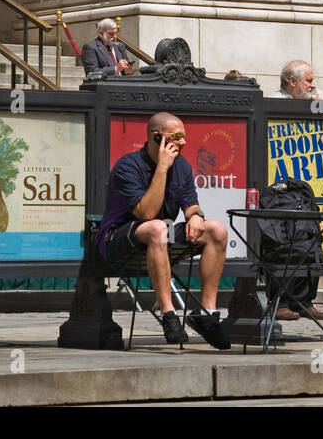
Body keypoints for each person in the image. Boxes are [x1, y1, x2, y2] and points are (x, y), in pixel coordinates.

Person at [97, 113, 231, 349]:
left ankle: (206, 313)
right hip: (118, 238)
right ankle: (169, 315)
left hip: (159, 234)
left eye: (184, 137)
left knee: (216, 230)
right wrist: (162, 168)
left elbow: (191, 204)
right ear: (156, 137)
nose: (183, 143)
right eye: (177, 137)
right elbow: (147, 214)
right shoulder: (127, 167)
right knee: (157, 227)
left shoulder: (182, 166)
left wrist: (196, 217)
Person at [266, 60, 323, 322]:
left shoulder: (310, 101)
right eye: (309, 80)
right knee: (281, 242)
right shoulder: (274, 101)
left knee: (310, 240)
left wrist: (320, 103)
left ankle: (304, 300)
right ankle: (279, 301)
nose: (313, 85)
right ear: (291, 82)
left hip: (303, 187)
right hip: (277, 189)